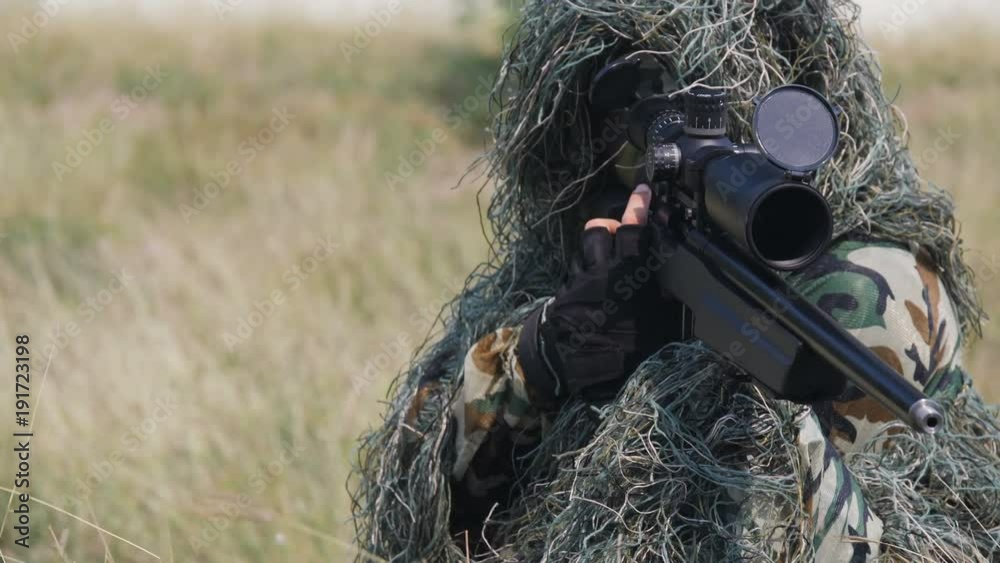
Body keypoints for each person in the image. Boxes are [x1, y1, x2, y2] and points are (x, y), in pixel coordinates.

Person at [351, 1, 1000, 561]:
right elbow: (422, 509)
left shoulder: (866, 298)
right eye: (628, 110)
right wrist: (545, 354)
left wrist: (754, 402)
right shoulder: (576, 256)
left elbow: (872, 538)